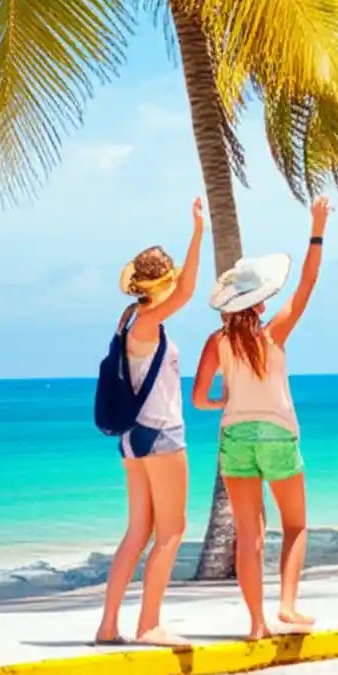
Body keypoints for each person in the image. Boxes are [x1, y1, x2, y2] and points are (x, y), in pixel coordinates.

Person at [191, 196, 329, 640]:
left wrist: (226, 405)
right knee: (295, 525)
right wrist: (317, 228)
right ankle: (287, 606)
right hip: (277, 435)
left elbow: (198, 399)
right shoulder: (274, 333)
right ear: (261, 302)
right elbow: (306, 284)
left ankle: (256, 625)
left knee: (248, 534)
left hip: (235, 436)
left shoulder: (216, 342)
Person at [95, 197, 204, 648]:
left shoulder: (129, 321)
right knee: (172, 530)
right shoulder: (147, 320)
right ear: (160, 285)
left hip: (132, 439)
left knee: (138, 531)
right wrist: (198, 233)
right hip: (160, 434)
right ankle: (149, 624)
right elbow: (188, 293)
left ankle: (108, 626)